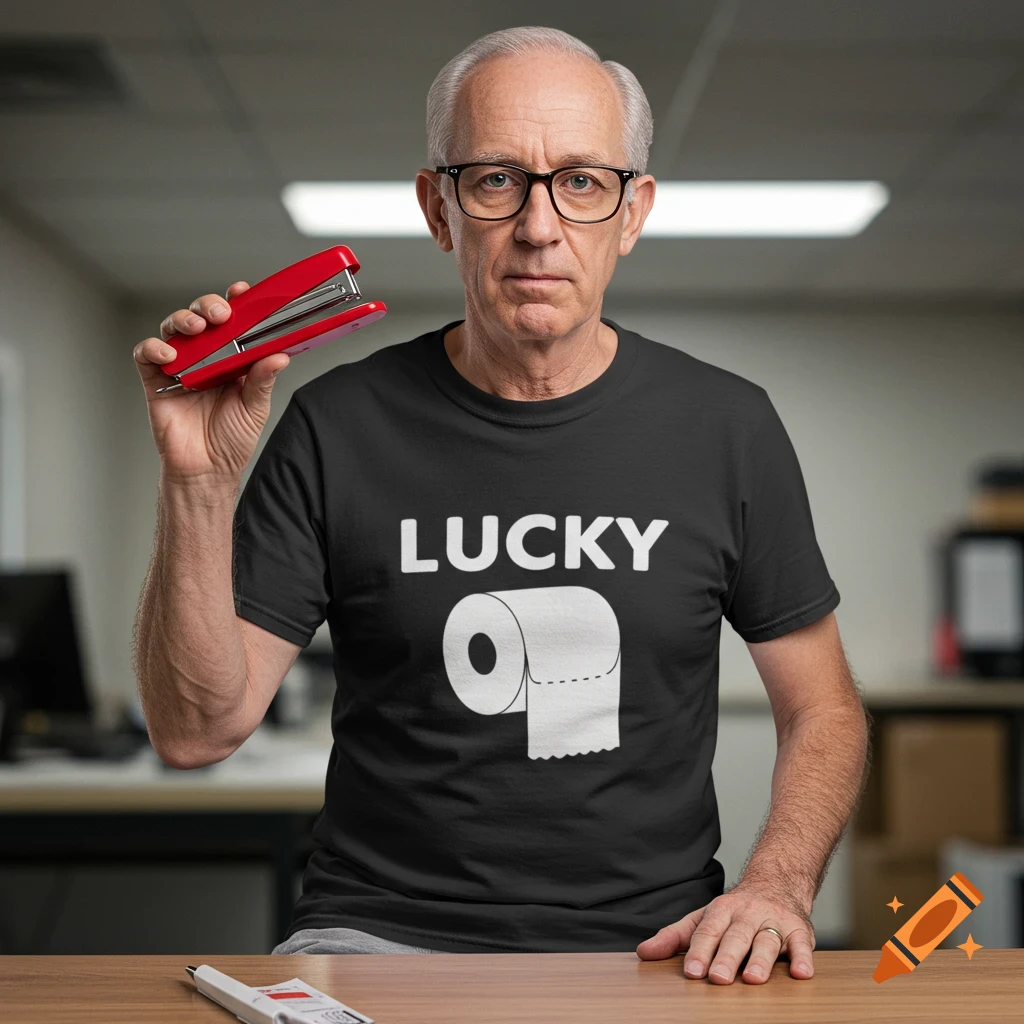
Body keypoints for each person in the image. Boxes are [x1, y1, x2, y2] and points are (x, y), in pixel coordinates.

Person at [132, 26, 868, 983]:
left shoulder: (727, 427)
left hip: (655, 947)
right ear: (438, 209)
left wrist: (778, 884)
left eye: (582, 182)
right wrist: (197, 481)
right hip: (375, 936)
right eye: (494, 181)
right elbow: (196, 731)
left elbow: (826, 711)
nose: (539, 225)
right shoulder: (337, 425)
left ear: (632, 211)